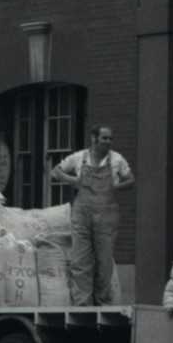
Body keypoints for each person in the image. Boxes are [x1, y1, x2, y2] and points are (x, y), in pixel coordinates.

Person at [51, 124, 134, 305]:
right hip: (82, 213)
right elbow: (56, 171)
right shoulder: (79, 158)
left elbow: (131, 179)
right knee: (81, 260)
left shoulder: (117, 159)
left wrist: (115, 186)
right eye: (104, 138)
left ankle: (102, 302)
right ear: (94, 139)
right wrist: (73, 180)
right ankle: (83, 304)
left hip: (107, 214)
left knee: (104, 262)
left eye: (110, 139)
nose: (108, 142)